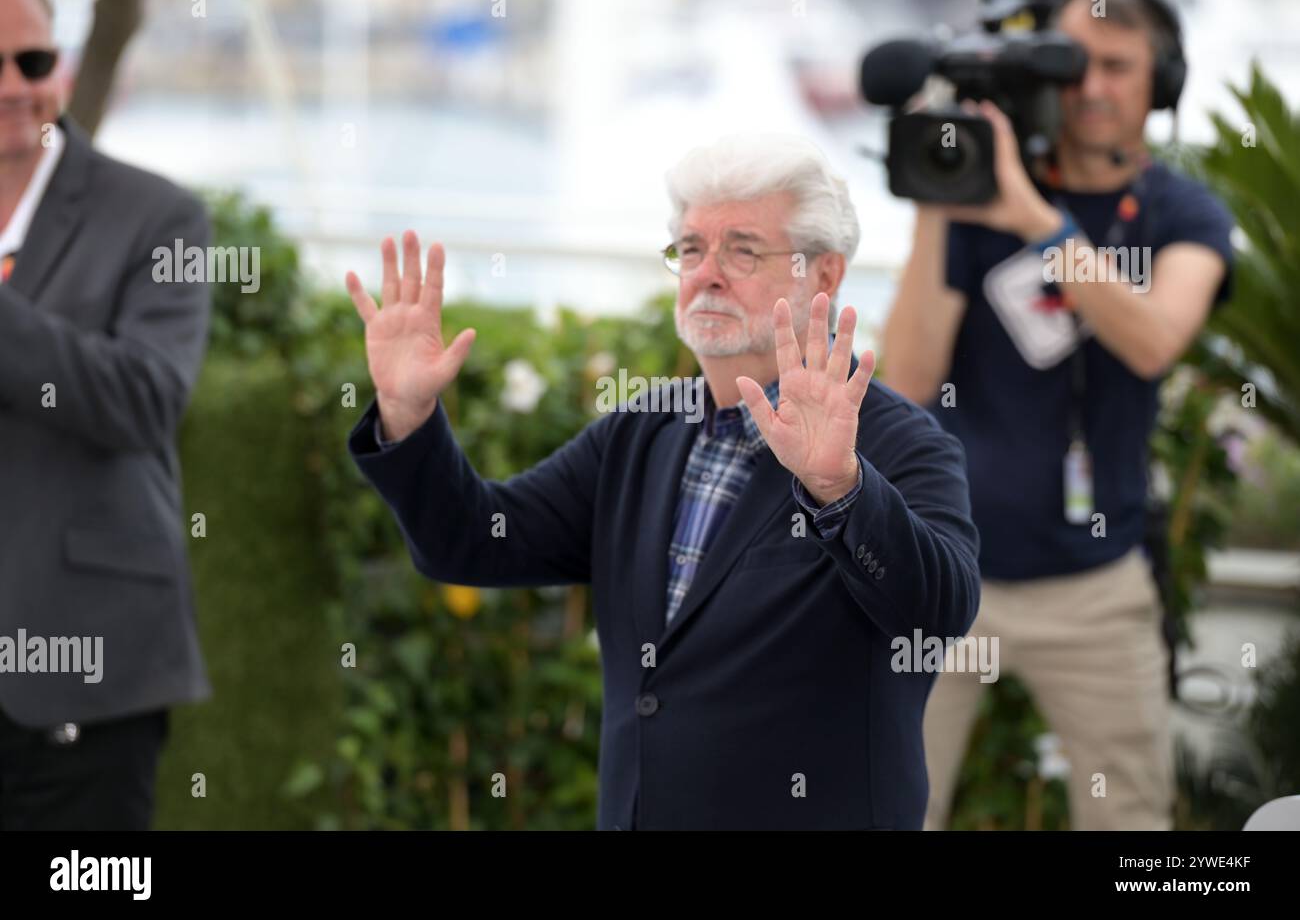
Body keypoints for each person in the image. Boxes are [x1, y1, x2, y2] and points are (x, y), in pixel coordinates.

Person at [346, 133, 980, 829]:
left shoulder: (896, 443)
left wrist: (842, 488)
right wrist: (409, 417)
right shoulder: (644, 431)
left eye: (742, 249)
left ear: (823, 276)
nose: (707, 272)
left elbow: (939, 613)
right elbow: (473, 542)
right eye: (690, 247)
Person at [881, 0, 1234, 830]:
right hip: (947, 575)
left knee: (1133, 823)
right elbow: (908, 381)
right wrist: (942, 197)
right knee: (887, 806)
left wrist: (1034, 218)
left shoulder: (1183, 214)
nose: (1093, 88)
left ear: (1165, 80)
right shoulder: (978, 198)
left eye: (1117, 65)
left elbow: (1151, 340)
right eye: (1074, 65)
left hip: (1095, 589)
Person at [0, 0, 212, 829]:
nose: (14, 84)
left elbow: (148, 399)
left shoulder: (166, 217)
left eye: (33, 58)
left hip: (84, 667)